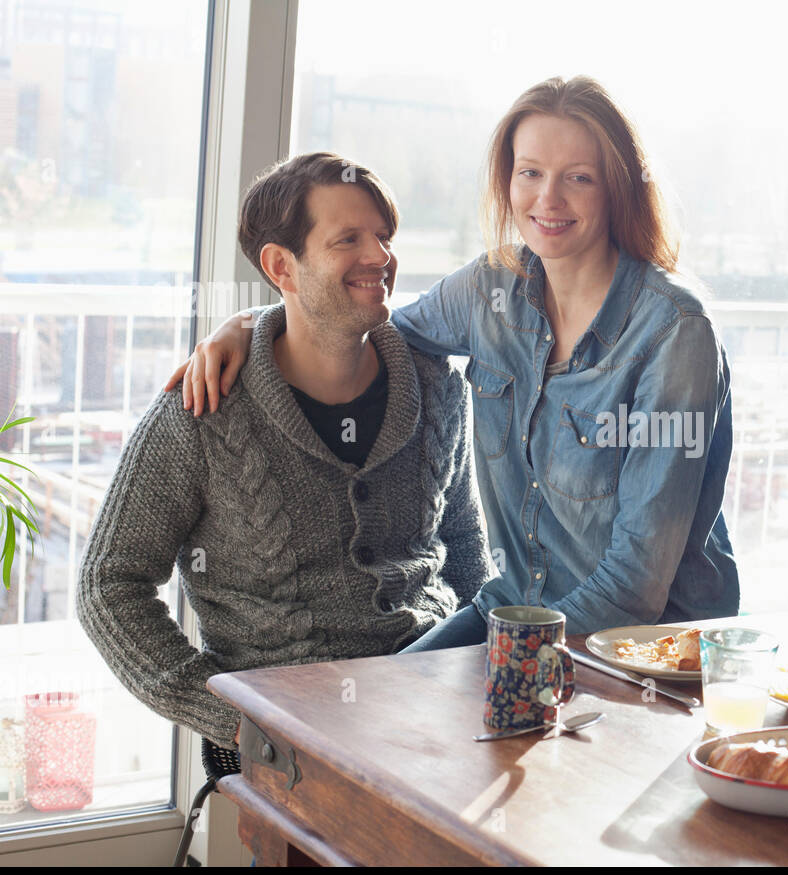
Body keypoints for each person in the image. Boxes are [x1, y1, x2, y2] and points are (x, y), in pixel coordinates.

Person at [167, 76, 739, 651]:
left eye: (579, 178)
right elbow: (360, 322)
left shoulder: (674, 334)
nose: (549, 200)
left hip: (645, 649)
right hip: (514, 607)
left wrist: (481, 676)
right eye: (530, 173)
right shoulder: (493, 288)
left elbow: (634, 590)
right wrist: (248, 326)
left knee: (415, 724)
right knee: (363, 716)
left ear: (617, 188)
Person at [80, 152, 492, 750]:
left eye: (383, 237)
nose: (379, 257)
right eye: (348, 239)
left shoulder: (434, 384)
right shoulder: (204, 413)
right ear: (282, 266)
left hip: (441, 702)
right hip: (297, 732)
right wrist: (236, 719)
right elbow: (108, 584)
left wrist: (488, 671)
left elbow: (463, 546)